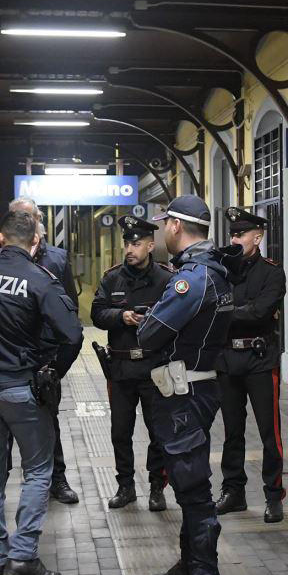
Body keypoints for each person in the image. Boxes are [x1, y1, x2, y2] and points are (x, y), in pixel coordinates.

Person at [0, 210, 83, 575]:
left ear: (0, 236)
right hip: (22, 389)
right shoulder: (39, 279)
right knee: (39, 470)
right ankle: (24, 554)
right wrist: (53, 372)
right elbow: (73, 334)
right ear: (35, 242)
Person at [137, 195, 242, 575]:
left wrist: (148, 319)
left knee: (194, 490)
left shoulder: (191, 280)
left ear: (176, 227)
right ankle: (189, 565)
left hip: (184, 395)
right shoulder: (210, 272)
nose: (162, 231)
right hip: (193, 388)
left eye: (165, 224)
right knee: (185, 483)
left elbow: (149, 335)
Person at [91, 215, 173, 511]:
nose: (130, 248)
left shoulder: (166, 279)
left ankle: (156, 487)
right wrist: (121, 316)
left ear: (150, 246)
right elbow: (97, 313)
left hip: (154, 367)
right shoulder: (113, 277)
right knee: (120, 432)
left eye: (136, 243)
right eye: (127, 242)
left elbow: (177, 317)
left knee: (158, 431)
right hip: (122, 369)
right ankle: (125, 486)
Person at [215, 207, 287, 524]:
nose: (234, 238)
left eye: (240, 234)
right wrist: (235, 311)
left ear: (257, 237)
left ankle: (273, 495)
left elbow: (259, 313)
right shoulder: (222, 271)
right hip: (228, 360)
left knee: (269, 433)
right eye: (232, 233)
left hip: (260, 360)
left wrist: (228, 312)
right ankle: (234, 492)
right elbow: (214, 309)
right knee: (232, 432)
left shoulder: (272, 273)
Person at [8, 196, 80, 505]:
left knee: (48, 419)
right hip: (13, 354)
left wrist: (59, 361)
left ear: (39, 221)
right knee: (9, 421)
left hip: (46, 354)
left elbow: (71, 307)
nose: (26, 222)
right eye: (19, 217)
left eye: (30, 217)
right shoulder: (6, 259)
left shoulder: (58, 259)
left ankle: (57, 480)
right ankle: (28, 478)